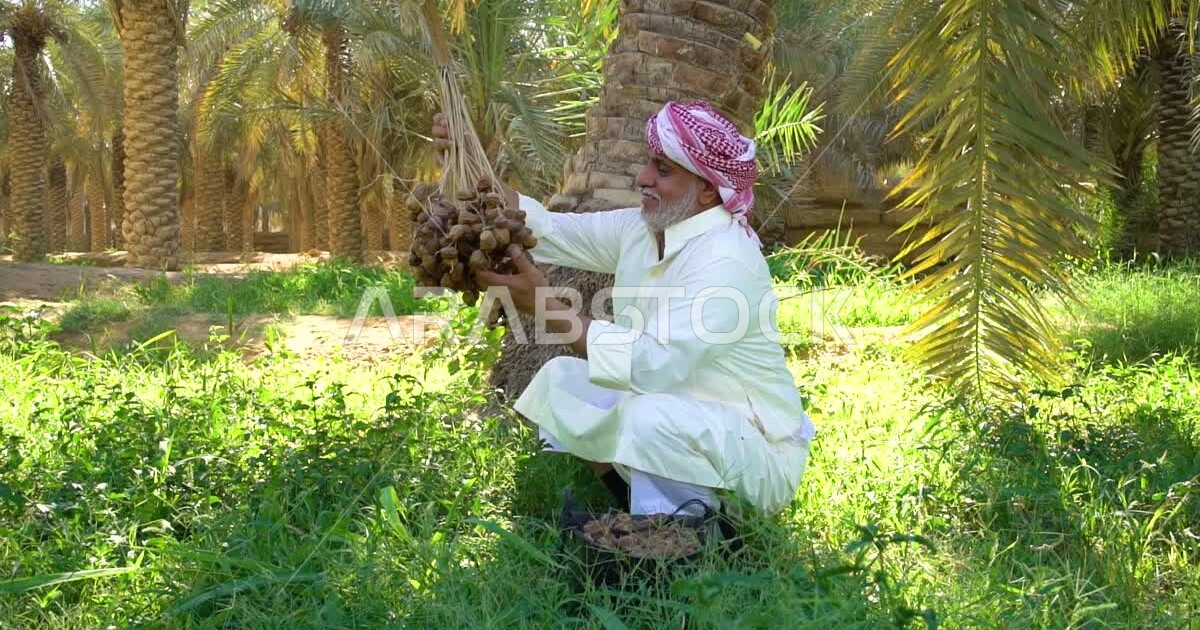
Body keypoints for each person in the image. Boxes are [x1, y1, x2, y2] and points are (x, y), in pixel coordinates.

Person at [431, 101, 814, 520]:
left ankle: (696, 544)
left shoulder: (725, 259)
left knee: (648, 416)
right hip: (687, 415)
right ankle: (639, 510)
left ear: (707, 189)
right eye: (650, 164)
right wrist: (469, 164)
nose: (643, 178)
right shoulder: (646, 228)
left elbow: (654, 364)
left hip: (755, 453)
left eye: (663, 170)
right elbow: (551, 230)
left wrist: (543, 306)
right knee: (563, 382)